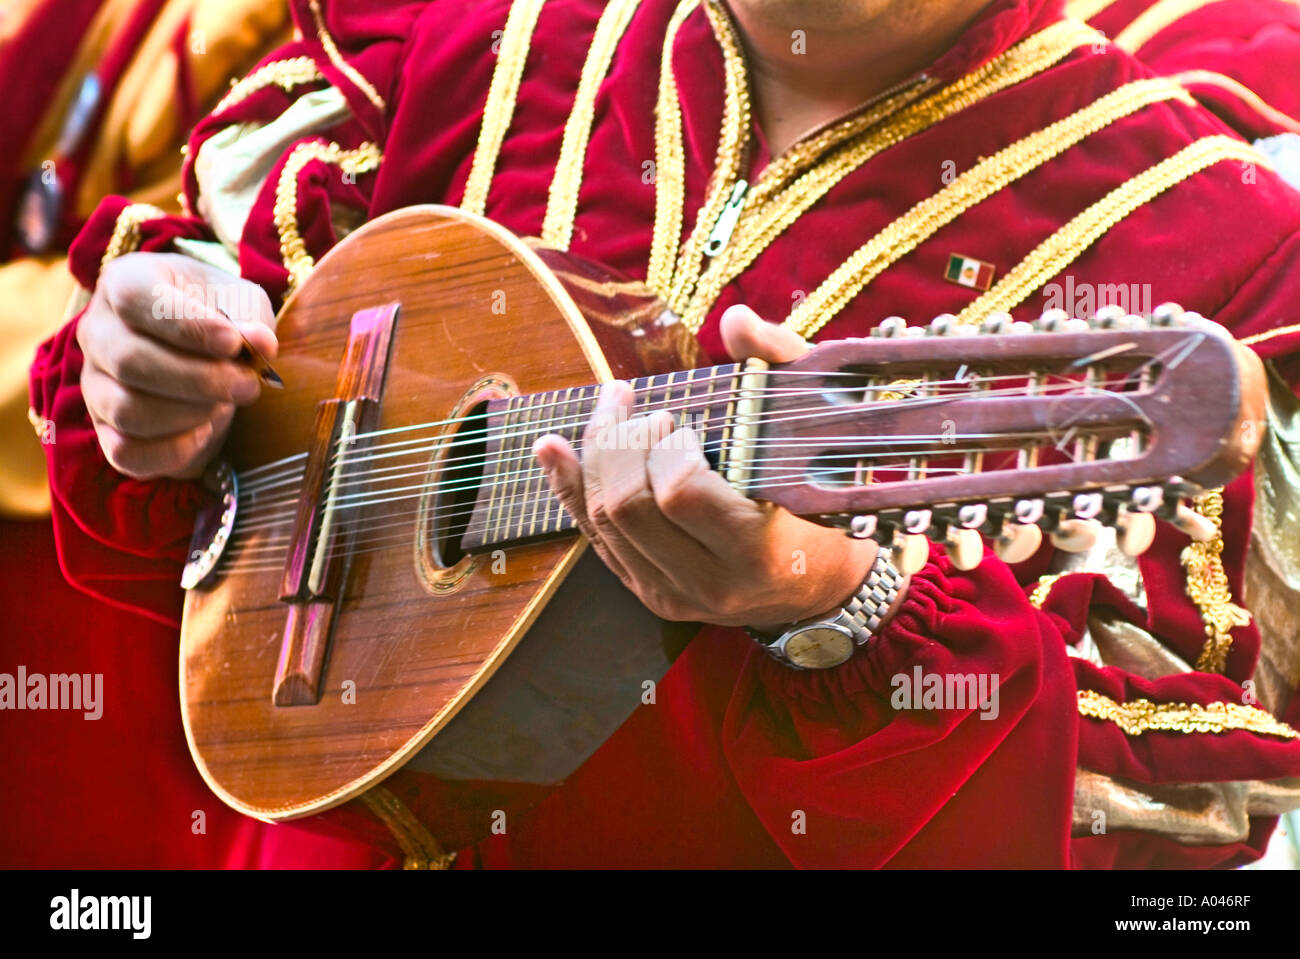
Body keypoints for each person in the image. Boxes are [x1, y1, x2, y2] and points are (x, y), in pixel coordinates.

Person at [28, 0, 1300, 868]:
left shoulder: (1207, 230)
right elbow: (201, 526)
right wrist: (156, 379)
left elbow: (1168, 818)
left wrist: (841, 607)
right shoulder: (467, 35)